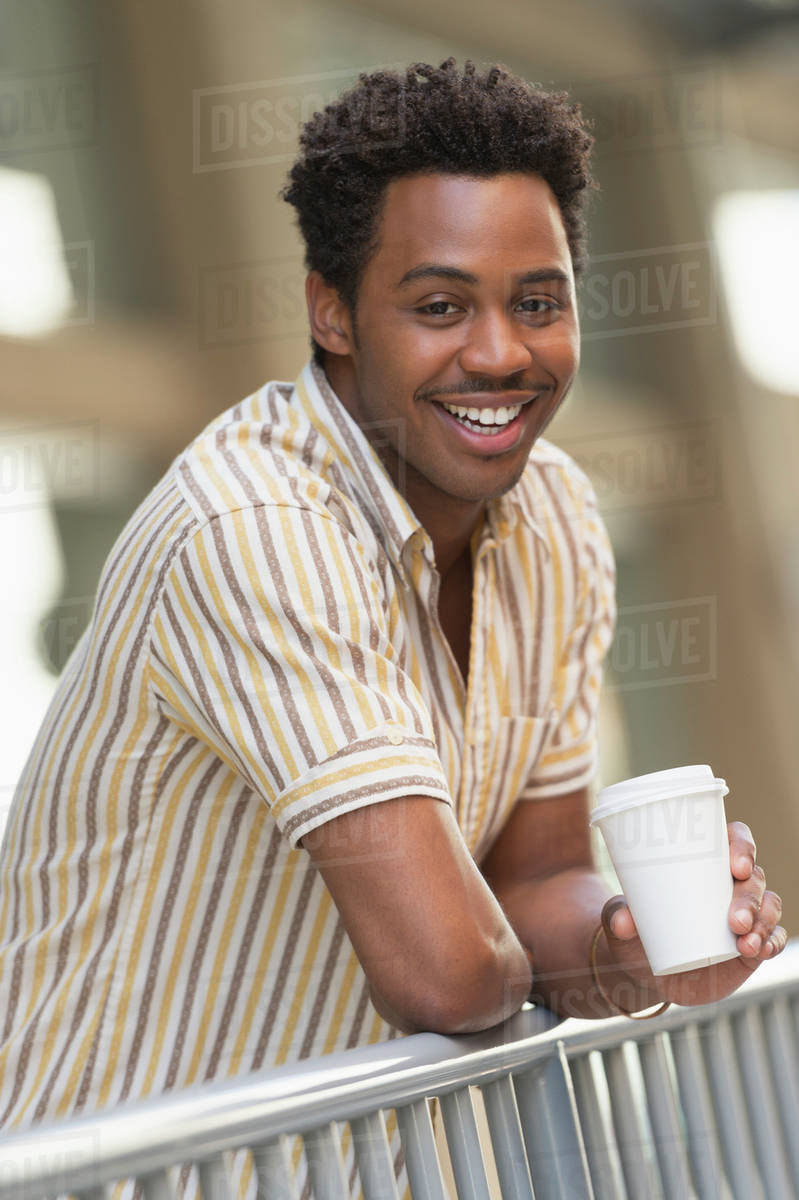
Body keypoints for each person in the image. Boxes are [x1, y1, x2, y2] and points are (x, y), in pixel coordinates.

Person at [0, 55, 785, 1172]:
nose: (500, 354)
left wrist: (641, 944)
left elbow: (532, 884)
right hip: (102, 1173)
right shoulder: (256, 526)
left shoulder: (557, 517)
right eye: (438, 306)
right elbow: (447, 972)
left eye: (537, 302)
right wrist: (541, 953)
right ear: (331, 310)